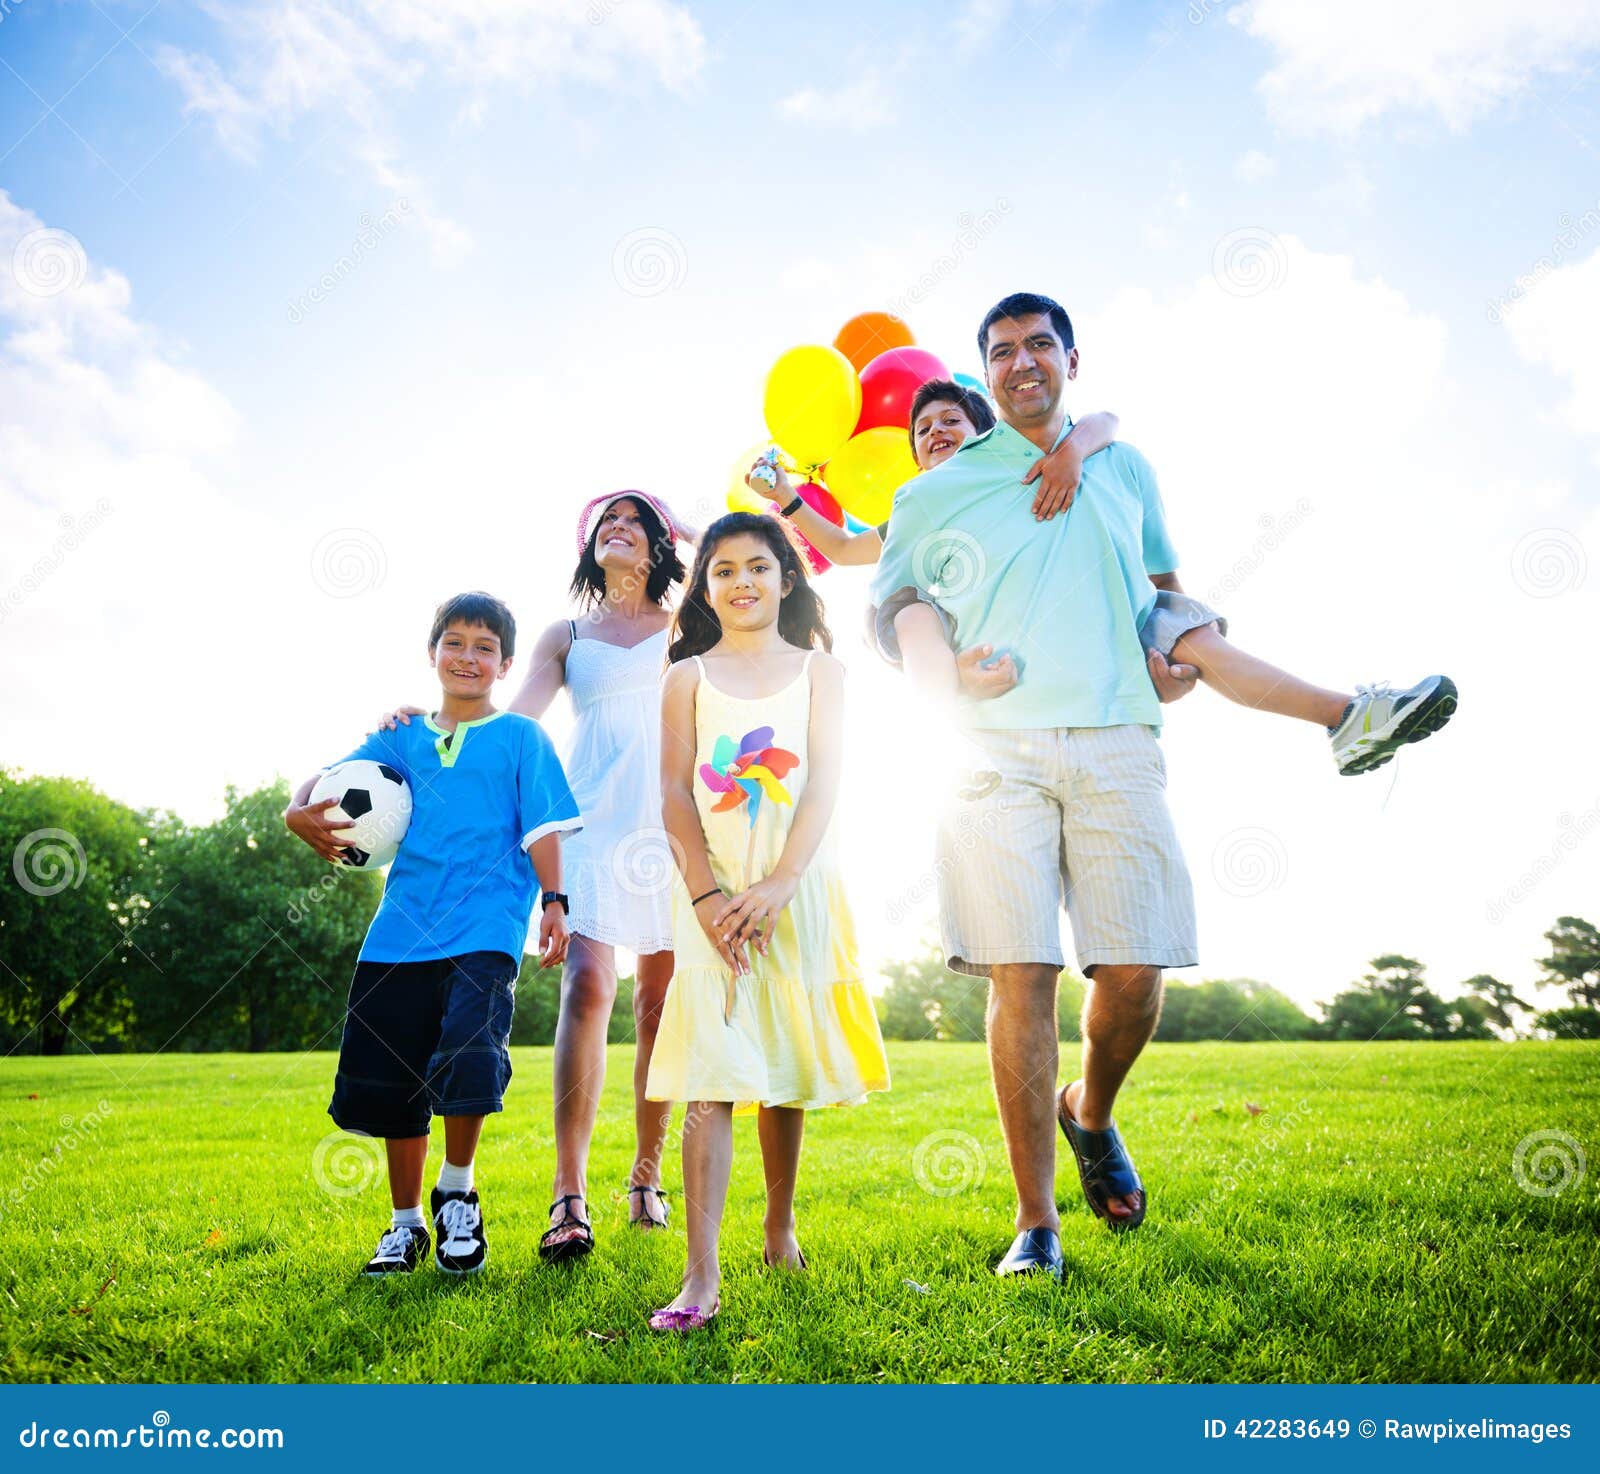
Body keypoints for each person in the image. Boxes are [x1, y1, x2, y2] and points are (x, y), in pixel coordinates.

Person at [378, 494, 690, 1258]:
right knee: (587, 985)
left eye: (635, 520)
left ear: (659, 541)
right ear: (589, 546)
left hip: (672, 824)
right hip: (588, 820)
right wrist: (430, 722)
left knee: (659, 1003)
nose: (618, 528)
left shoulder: (688, 623)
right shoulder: (566, 635)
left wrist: (686, 525)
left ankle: (646, 1176)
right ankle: (568, 1193)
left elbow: (746, 559)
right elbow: (509, 724)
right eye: (606, 521)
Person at [285, 591, 580, 1277]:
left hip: (485, 928)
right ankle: (405, 1224)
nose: (468, 656)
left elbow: (543, 825)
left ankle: (457, 1190)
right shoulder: (400, 737)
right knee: (395, 1082)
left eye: (485, 647)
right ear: (432, 653)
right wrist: (293, 811)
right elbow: (330, 781)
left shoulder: (521, 738)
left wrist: (555, 902)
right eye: (455, 642)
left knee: (469, 1057)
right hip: (398, 935)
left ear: (506, 665)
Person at [643, 512, 889, 1331]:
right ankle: (699, 1275)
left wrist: (783, 882)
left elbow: (825, 783)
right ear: (704, 588)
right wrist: (707, 898)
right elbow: (674, 792)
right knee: (711, 1074)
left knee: (782, 1063)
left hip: (797, 890)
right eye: (722, 570)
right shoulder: (686, 677)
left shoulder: (823, 672)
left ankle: (779, 1229)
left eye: (757, 565)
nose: (741, 581)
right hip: (710, 893)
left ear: (787, 577)